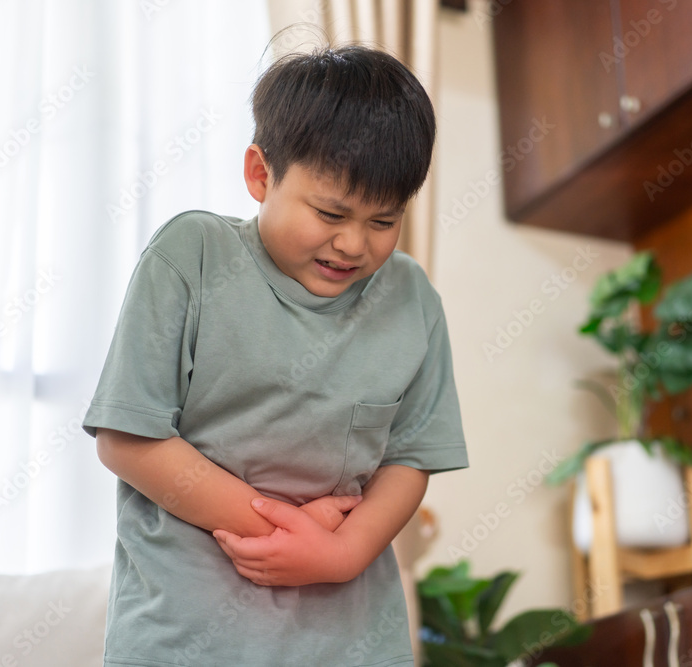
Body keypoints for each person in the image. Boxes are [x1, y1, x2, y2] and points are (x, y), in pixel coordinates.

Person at [82, 44, 468, 667]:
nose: (352, 244)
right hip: (187, 635)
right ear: (261, 174)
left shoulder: (412, 298)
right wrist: (283, 529)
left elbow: (411, 458)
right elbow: (127, 440)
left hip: (352, 641)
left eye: (383, 220)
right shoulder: (192, 256)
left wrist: (339, 554)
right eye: (330, 212)